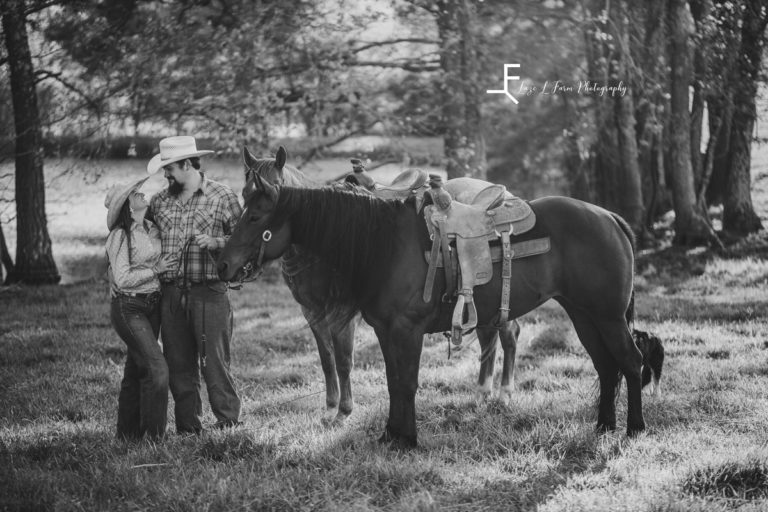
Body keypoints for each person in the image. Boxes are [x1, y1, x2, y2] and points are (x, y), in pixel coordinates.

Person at [146, 136, 243, 434]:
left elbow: (243, 244)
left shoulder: (222, 196)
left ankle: (227, 423)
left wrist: (216, 242)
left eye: (170, 168)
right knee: (179, 364)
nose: (166, 175)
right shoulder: (159, 202)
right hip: (171, 293)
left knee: (214, 361)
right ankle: (189, 427)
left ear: (187, 164)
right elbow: (142, 241)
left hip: (209, 291)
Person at [105, 177, 172, 441]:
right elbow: (121, 278)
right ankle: (156, 439)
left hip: (153, 305)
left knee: (136, 370)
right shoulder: (121, 234)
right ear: (126, 205)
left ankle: (127, 435)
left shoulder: (154, 229)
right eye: (134, 193)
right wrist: (155, 270)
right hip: (129, 306)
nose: (141, 194)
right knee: (158, 369)